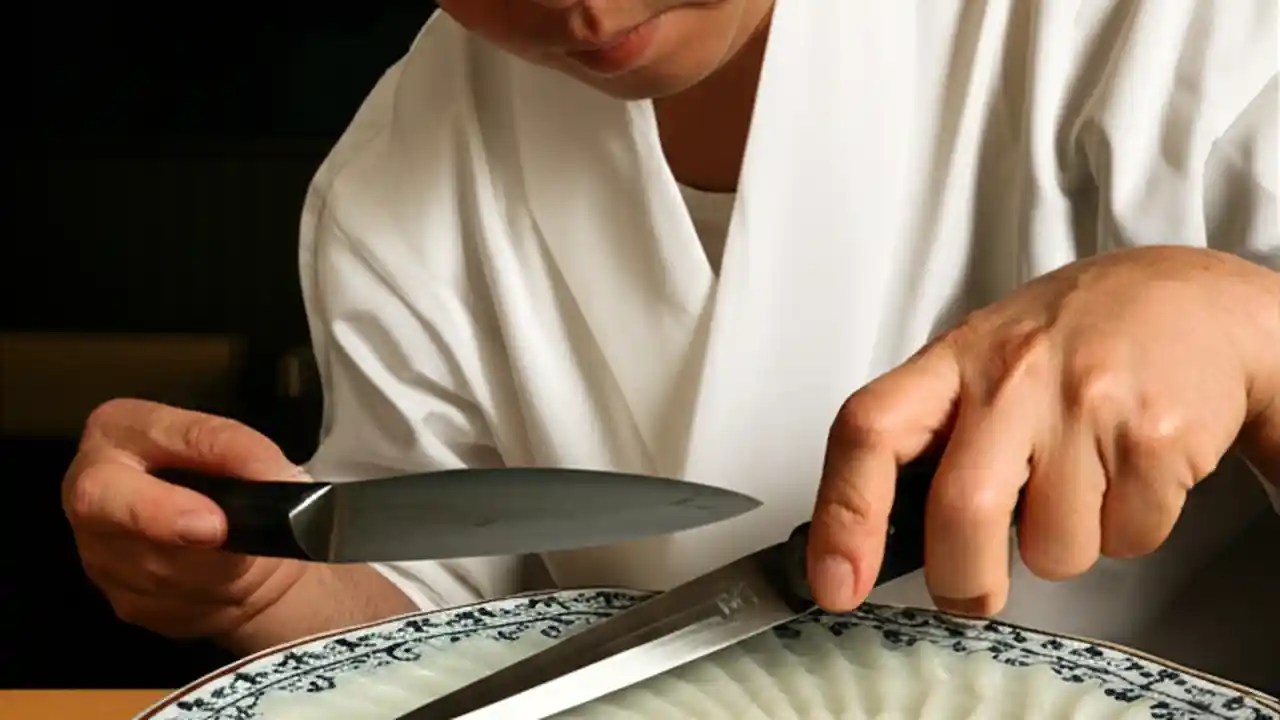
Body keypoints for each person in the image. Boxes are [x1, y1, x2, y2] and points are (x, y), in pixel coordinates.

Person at [63, 0, 1278, 687]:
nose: (585, 7)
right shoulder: (404, 168)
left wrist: (1253, 342)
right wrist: (277, 582)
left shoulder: (1176, 34)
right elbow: (445, 621)